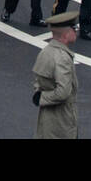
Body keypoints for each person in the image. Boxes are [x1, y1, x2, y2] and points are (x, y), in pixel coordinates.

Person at [32, 11, 79, 139]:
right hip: (62, 120)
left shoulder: (45, 52)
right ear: (66, 33)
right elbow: (63, 92)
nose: (76, 31)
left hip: (47, 118)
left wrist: (40, 96)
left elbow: (38, 82)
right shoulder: (63, 58)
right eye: (75, 28)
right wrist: (42, 98)